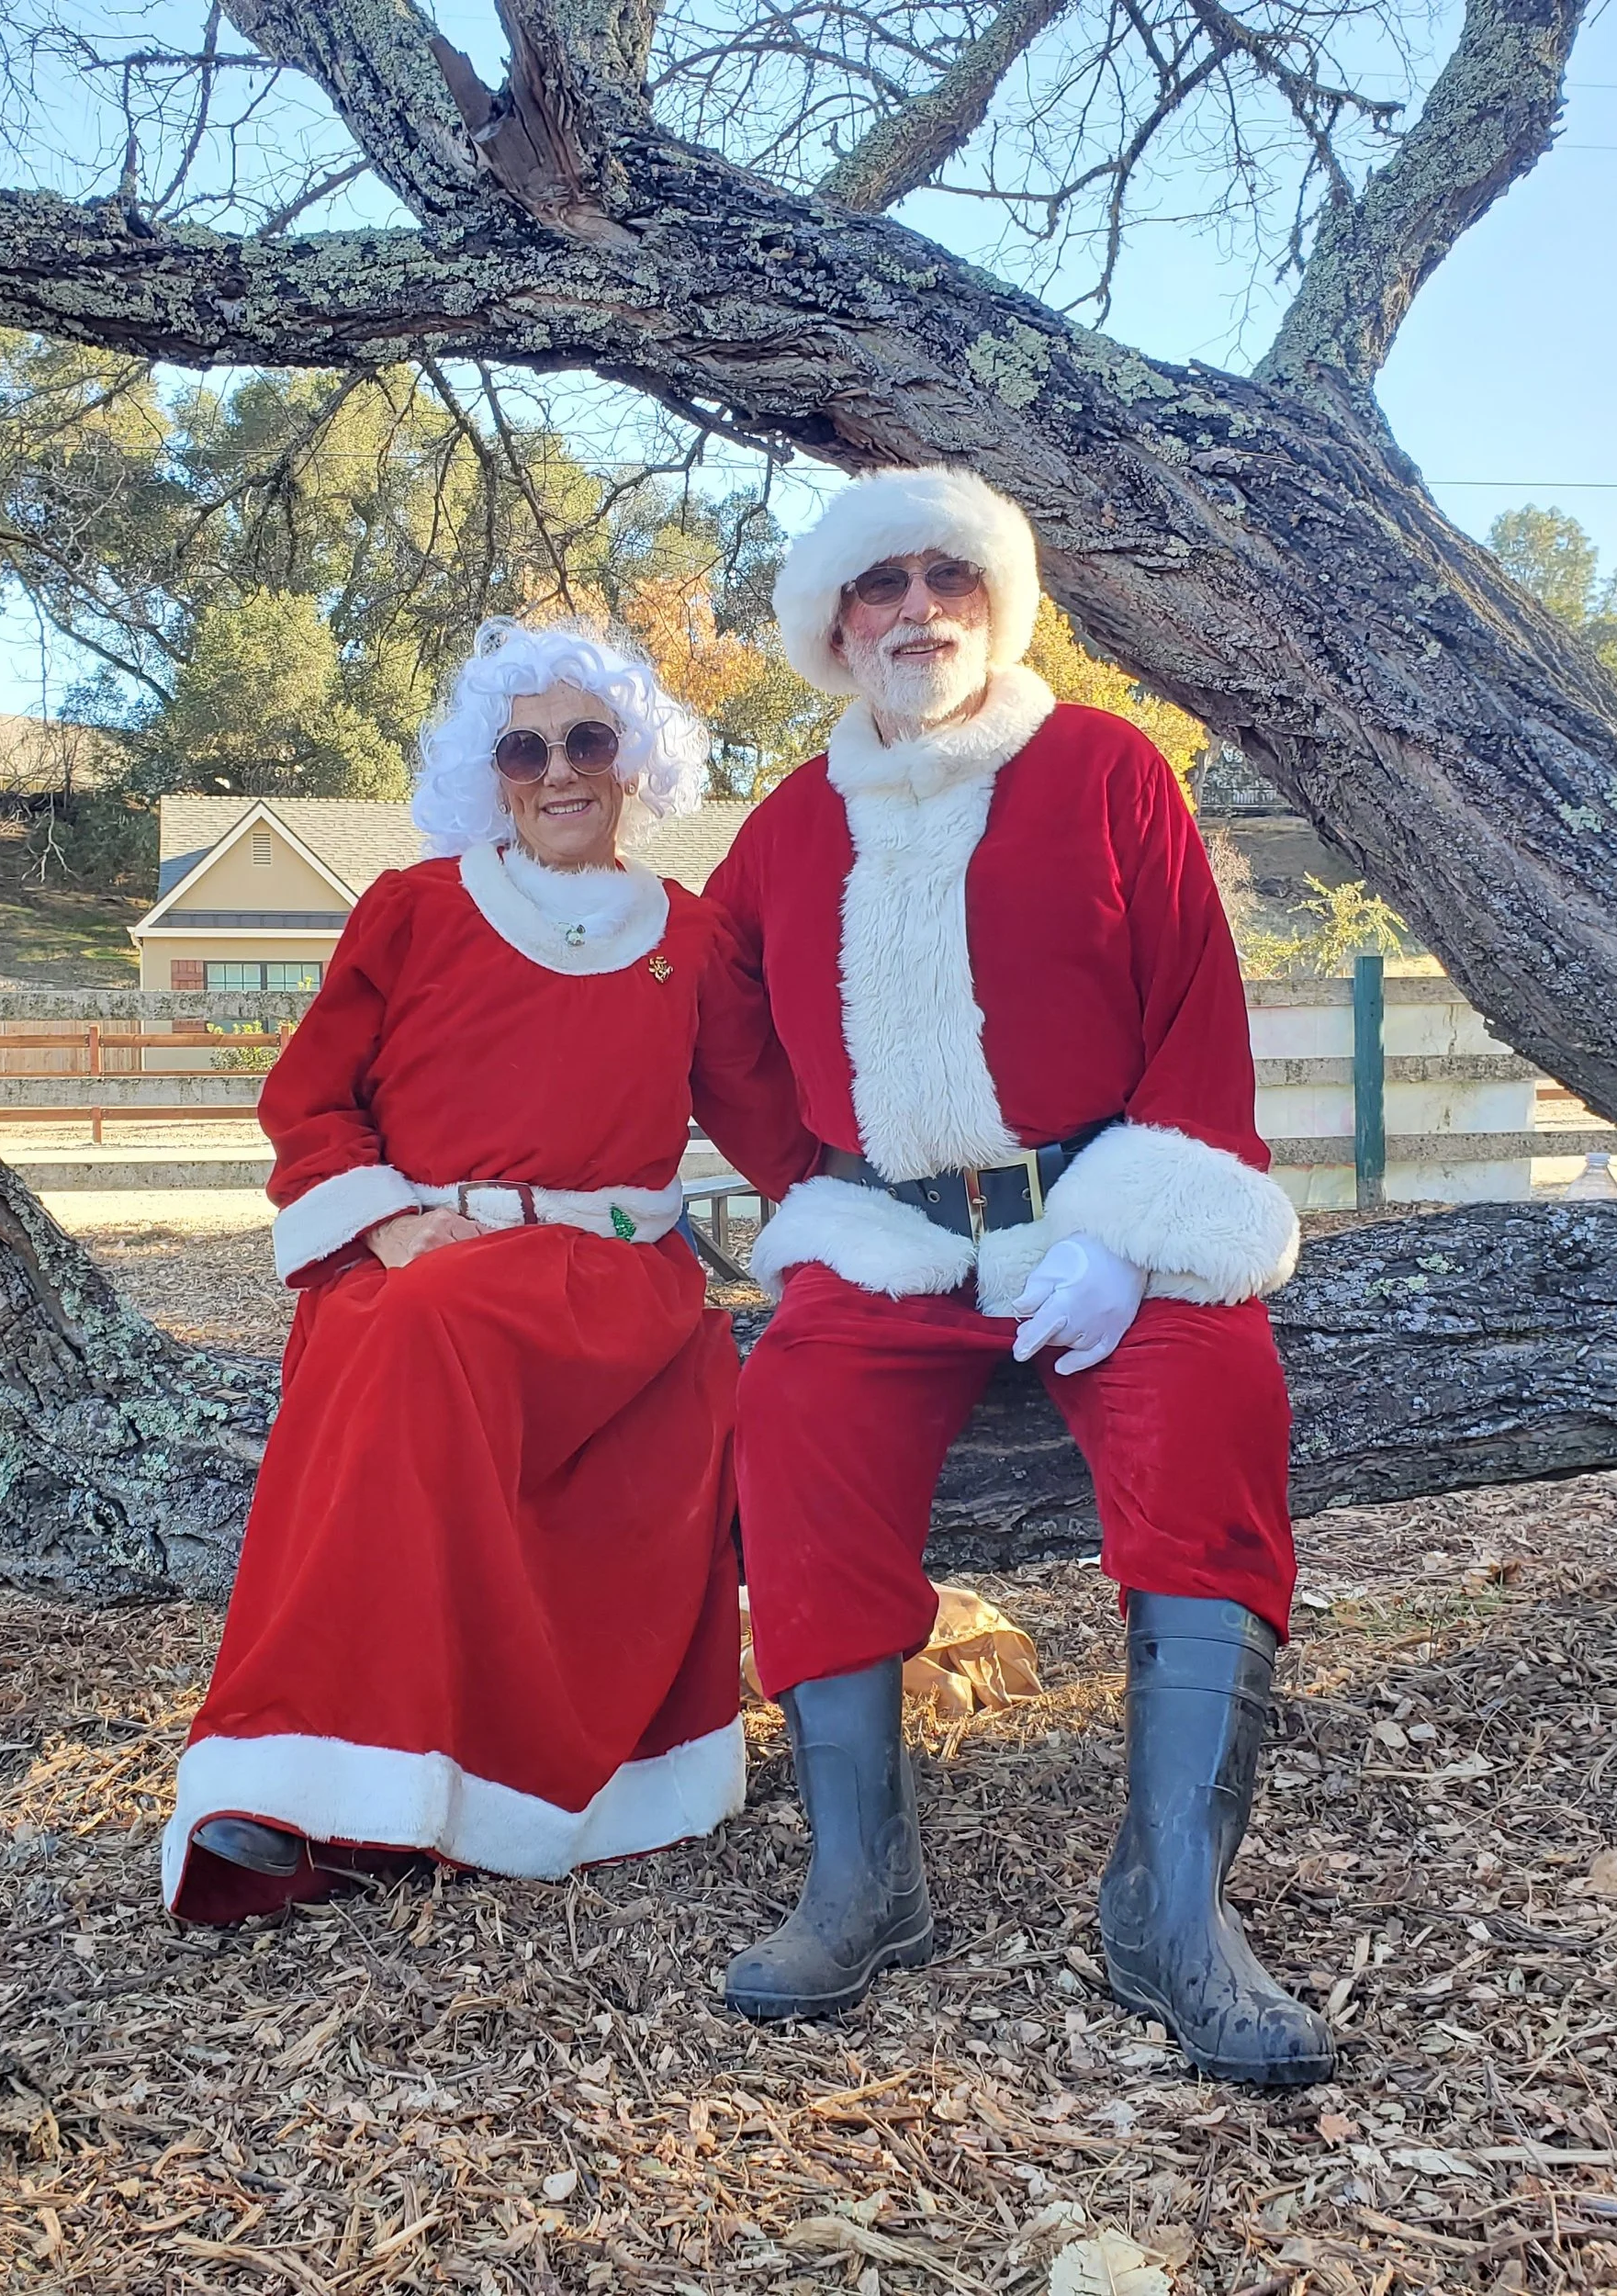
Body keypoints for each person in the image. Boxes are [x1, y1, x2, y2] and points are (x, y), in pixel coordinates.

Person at [704, 467, 1334, 2086]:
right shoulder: (785, 825)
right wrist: (809, 1190)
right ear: (833, 626)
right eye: (877, 587)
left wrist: (1131, 1234)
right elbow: (718, 1024)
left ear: (997, 600)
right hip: (891, 1231)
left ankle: (1174, 1905)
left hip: (1099, 1214)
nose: (915, 609)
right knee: (790, 1407)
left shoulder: (1106, 769)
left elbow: (1198, 1002)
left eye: (947, 577)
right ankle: (863, 1879)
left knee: (1216, 1397)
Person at [162, 620, 807, 1925]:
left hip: (608, 1289)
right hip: (417, 1259)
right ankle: (311, 1776)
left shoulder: (689, 936)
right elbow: (308, 1102)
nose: (558, 770)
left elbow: (777, 1128)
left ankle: (434, 1780)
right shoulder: (416, 908)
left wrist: (909, 1224)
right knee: (411, 1330)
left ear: (635, 761)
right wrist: (390, 1224)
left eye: (588, 739)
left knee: (453, 1338)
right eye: (524, 747)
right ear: (490, 771)